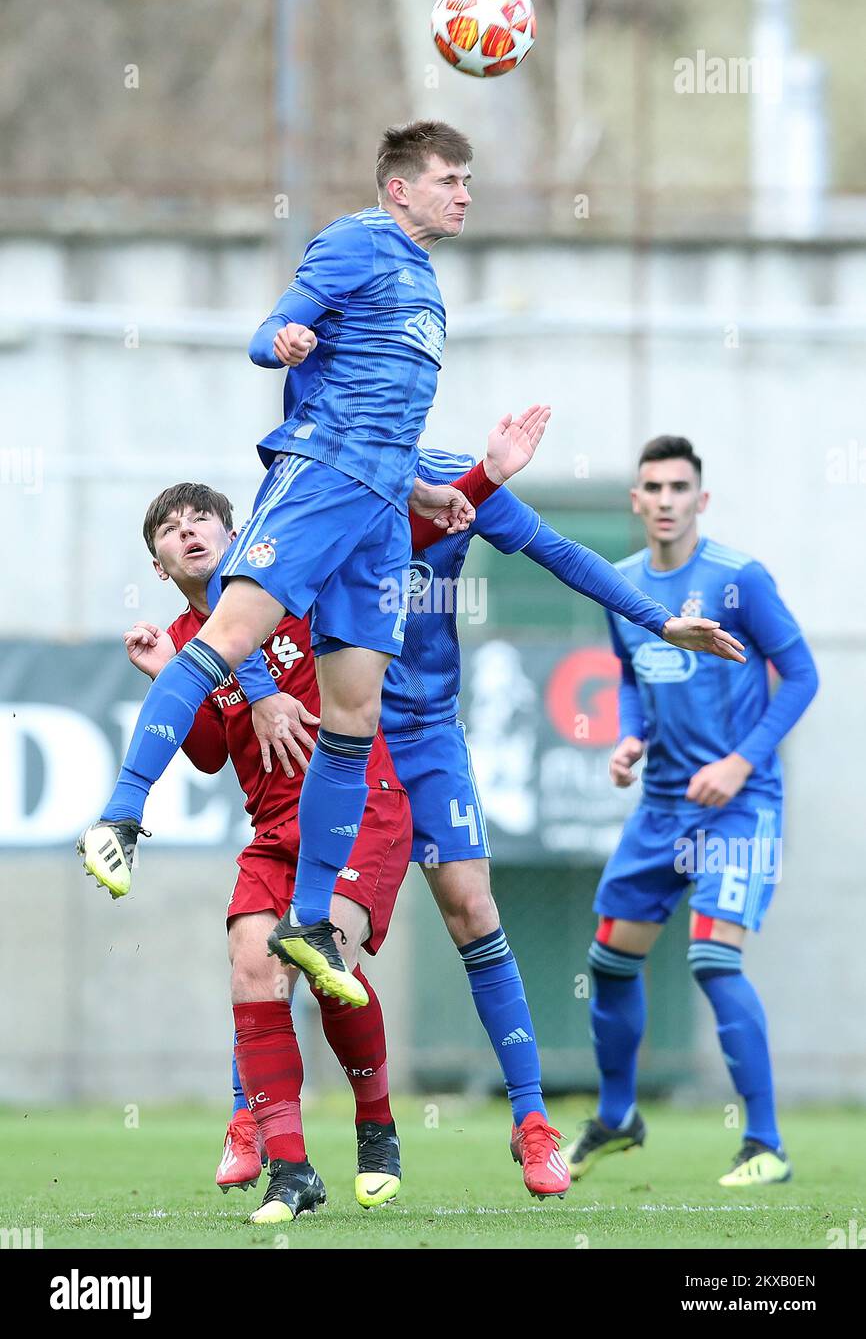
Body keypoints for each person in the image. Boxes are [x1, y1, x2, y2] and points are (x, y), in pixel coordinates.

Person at [79, 121, 476, 1007]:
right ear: (399, 188)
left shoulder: (424, 280)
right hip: (322, 475)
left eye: (467, 180)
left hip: (376, 504)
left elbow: (384, 404)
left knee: (354, 710)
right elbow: (272, 329)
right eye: (449, 178)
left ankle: (305, 918)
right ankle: (120, 817)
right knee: (229, 636)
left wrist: (416, 492)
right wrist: (282, 345)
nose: (464, 193)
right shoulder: (357, 240)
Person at [123, 406, 550, 1222]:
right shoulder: (189, 641)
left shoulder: (296, 577)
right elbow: (211, 752)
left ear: (240, 529)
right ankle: (288, 1165)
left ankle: (382, 1123)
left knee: (324, 963)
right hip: (273, 829)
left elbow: (405, 542)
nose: (189, 532)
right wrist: (169, 676)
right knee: (255, 965)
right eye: (171, 528)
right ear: (158, 558)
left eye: (201, 518)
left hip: (361, 808)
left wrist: (484, 479)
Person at [379, 442, 746, 1198]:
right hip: (341, 740)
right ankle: (283, 1128)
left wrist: (657, 622)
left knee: (472, 908)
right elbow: (257, 597)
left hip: (424, 732)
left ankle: (533, 1122)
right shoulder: (320, 473)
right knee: (305, 937)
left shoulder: (452, 475)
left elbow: (556, 551)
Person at [564, 435, 819, 1187]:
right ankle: (617, 1117)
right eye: (654, 487)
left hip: (741, 806)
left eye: (681, 488)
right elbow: (632, 674)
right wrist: (629, 737)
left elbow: (801, 676)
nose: (667, 500)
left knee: (713, 957)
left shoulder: (741, 581)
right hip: (662, 808)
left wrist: (742, 762)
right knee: (610, 961)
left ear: (700, 500)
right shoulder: (622, 586)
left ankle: (765, 1143)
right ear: (636, 501)